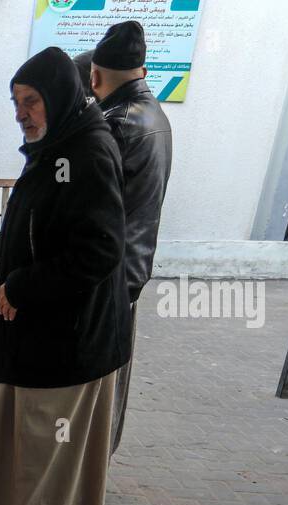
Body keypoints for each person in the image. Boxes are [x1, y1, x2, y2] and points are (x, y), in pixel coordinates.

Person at [0, 46, 130, 505]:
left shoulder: (89, 151)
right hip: (38, 326)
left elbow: (99, 249)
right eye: (16, 102)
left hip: (70, 331)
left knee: (46, 437)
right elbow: (28, 218)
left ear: (58, 97)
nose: (21, 113)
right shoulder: (56, 146)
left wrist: (27, 285)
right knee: (24, 429)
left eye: (31, 101)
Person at [87, 21, 174, 454]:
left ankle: (75, 489)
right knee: (107, 391)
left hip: (106, 277)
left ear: (95, 76)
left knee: (87, 395)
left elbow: (89, 212)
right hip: (129, 272)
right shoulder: (155, 114)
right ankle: (88, 479)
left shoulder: (117, 122)